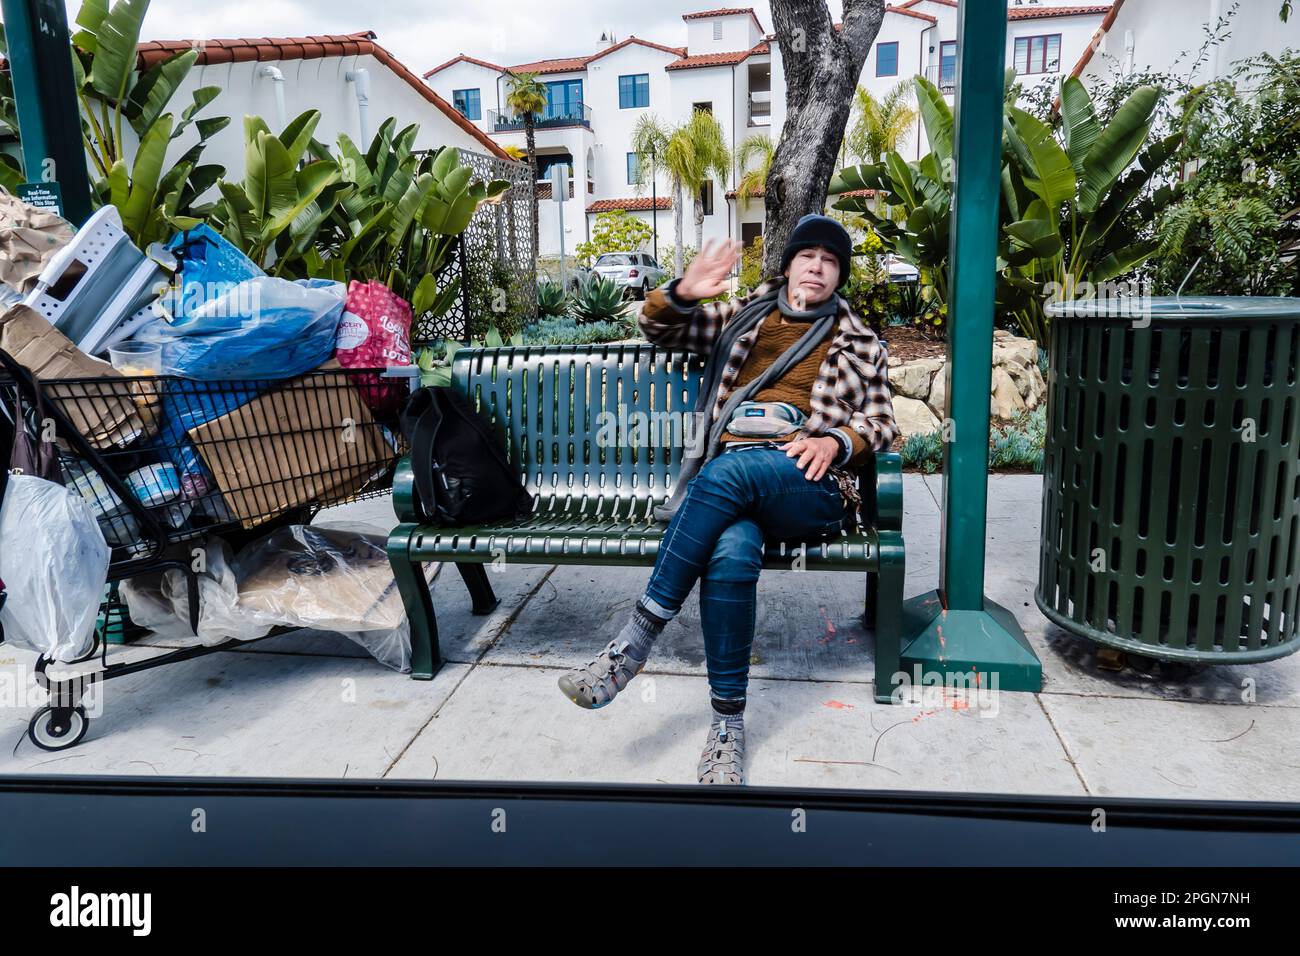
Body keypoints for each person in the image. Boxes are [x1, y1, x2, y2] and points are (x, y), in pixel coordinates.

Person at [557, 214, 898, 784]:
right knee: (730, 550)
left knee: (722, 480)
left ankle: (635, 641)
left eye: (831, 259)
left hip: (807, 482)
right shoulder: (742, 318)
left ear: (839, 275)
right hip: (735, 474)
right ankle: (727, 729)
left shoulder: (859, 341)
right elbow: (658, 328)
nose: (816, 266)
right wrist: (682, 293)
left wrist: (838, 441)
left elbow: (884, 423)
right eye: (806, 255)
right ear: (788, 264)